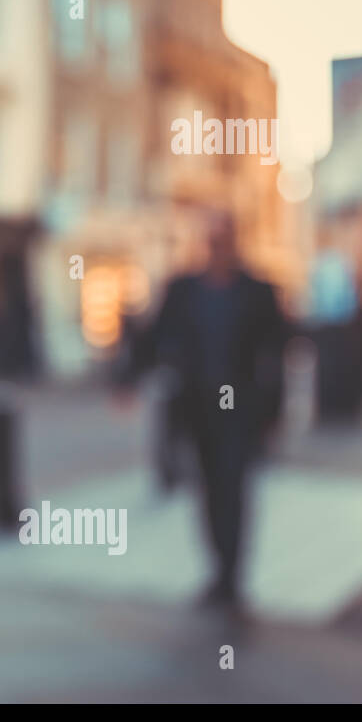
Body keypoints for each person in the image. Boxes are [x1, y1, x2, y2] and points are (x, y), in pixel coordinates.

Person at [117, 209, 289, 608]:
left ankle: (232, 573)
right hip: (196, 408)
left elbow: (275, 354)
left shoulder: (257, 292)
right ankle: (217, 569)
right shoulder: (183, 290)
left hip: (241, 409)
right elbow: (155, 338)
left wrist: (274, 412)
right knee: (208, 487)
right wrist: (127, 380)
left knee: (235, 488)